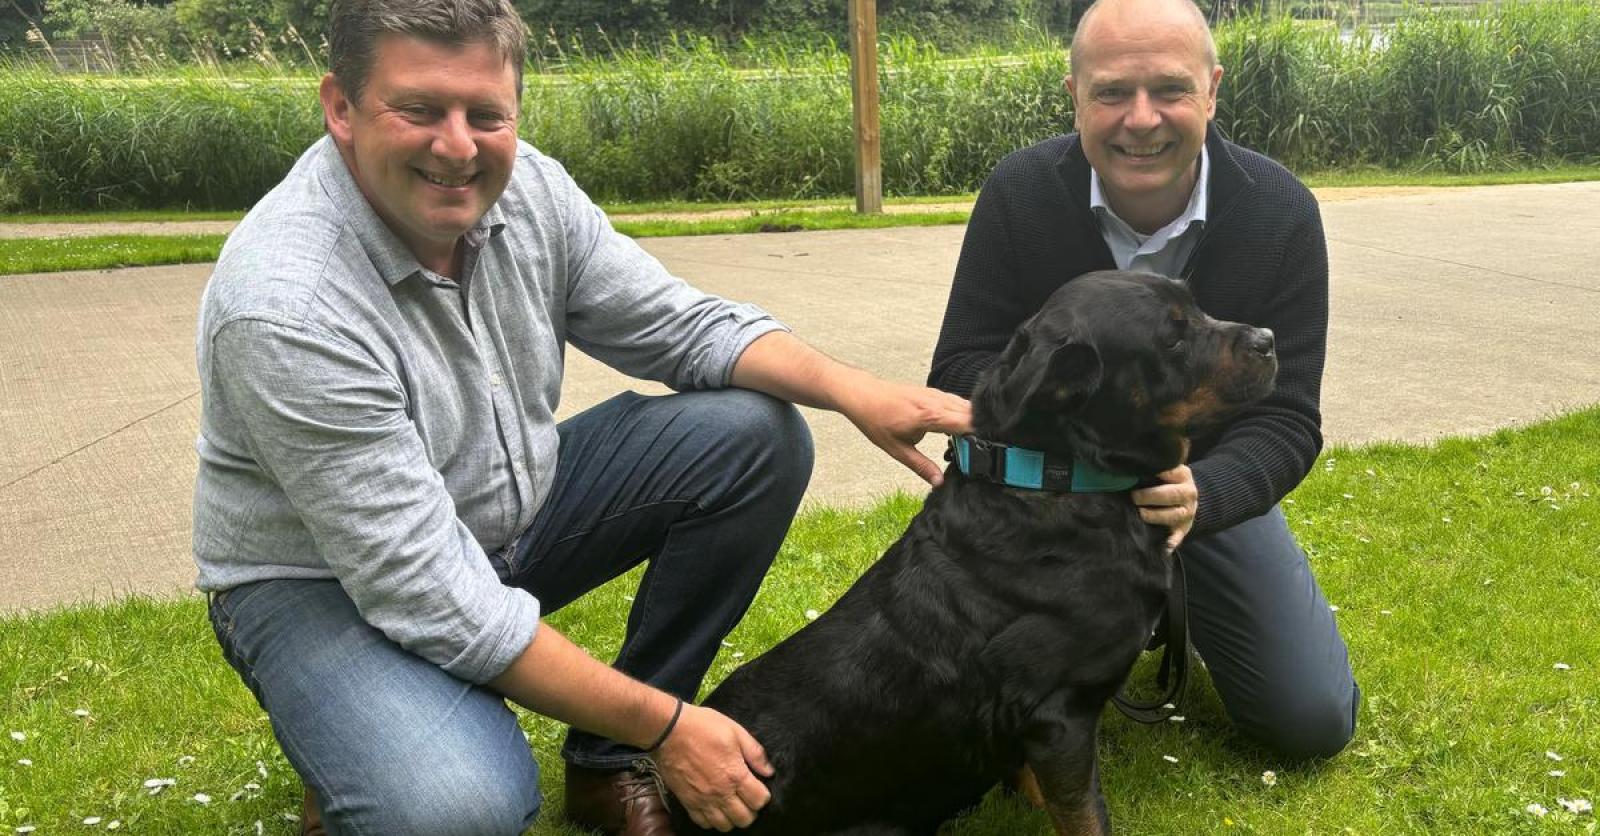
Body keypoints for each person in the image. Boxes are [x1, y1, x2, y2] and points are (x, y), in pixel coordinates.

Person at [191, 0, 971, 833]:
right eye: (418, 109)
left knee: (756, 438)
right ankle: (365, 736)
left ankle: (601, 766)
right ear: (340, 108)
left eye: (486, 114)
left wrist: (852, 390)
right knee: (455, 808)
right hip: (323, 585)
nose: (458, 146)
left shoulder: (530, 190)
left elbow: (679, 326)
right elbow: (433, 598)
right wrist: (669, 728)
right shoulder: (287, 307)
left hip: (502, 518)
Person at [928, 0, 1357, 760]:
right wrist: (1077, 456)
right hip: (1049, 501)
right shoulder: (1020, 192)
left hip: (1193, 489)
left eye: (1170, 89)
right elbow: (963, 364)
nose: (1141, 118)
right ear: (1074, 96)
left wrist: (1207, 493)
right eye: (1112, 93)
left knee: (1311, 720)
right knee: (944, 707)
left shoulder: (1280, 210)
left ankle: (1161, 603)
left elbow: (1288, 420)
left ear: (1214, 89)